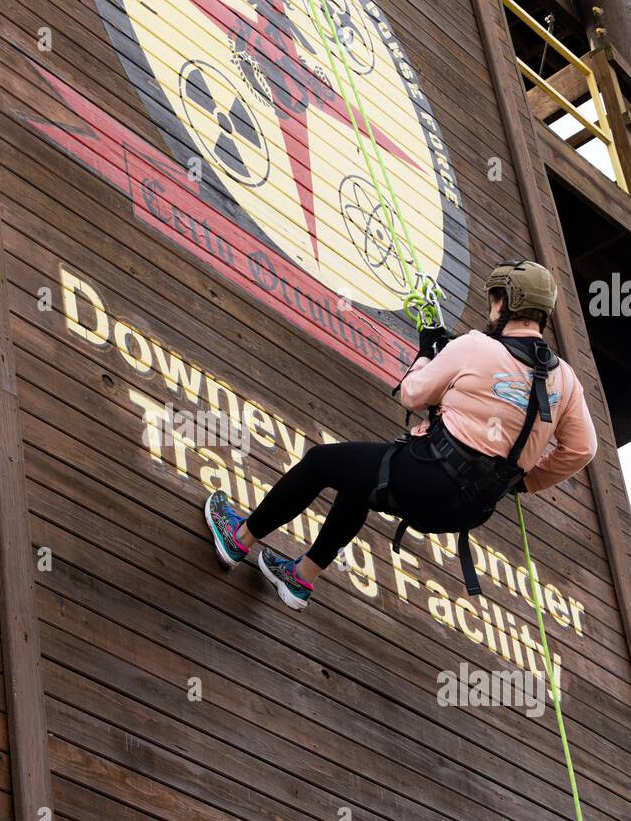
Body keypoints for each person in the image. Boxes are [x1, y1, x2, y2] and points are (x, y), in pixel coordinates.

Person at [205, 259, 597, 609]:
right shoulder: (565, 380)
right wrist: (523, 482)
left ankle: (238, 538)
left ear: (504, 301)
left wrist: (427, 350)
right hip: (469, 509)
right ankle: (301, 577)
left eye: (494, 299)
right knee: (361, 481)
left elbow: (412, 393)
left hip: (425, 475)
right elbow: (582, 449)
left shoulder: (476, 346)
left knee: (320, 463)